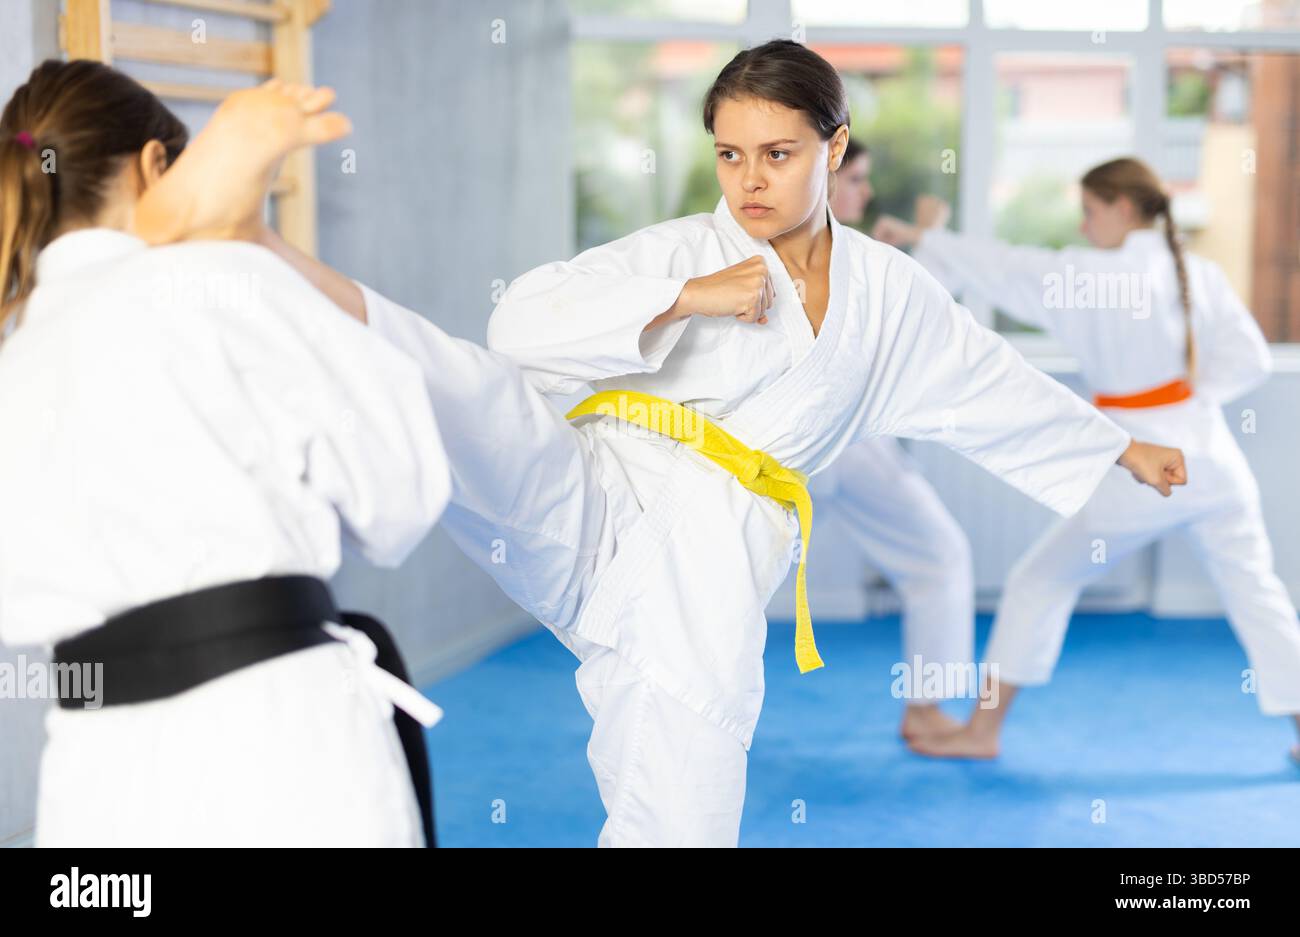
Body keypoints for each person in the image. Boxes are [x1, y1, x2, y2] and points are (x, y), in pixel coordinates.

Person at [150, 41, 1187, 846]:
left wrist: (1113, 448)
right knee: (461, 381)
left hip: (714, 551)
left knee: (683, 778)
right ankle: (258, 245)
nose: (750, 181)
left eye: (778, 154)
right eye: (730, 155)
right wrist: (687, 297)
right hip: (595, 484)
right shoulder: (687, 249)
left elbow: (984, 380)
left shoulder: (891, 293)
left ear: (835, 148)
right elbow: (523, 323)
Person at [0, 61, 451, 846]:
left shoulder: (15, 358)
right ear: (153, 166)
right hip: (282, 748)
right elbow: (400, 497)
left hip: (93, 774)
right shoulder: (219, 280)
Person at [873, 157, 1300, 763]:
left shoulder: (1093, 278)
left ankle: (982, 732)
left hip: (1142, 469)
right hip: (1214, 458)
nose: (1082, 224)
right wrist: (1188, 402)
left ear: (1122, 209)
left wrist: (926, 238)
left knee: (1038, 581)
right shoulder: (1198, 272)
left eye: (1090, 210)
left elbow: (1008, 267)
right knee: (1259, 595)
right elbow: (1251, 360)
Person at [816, 137, 976, 738]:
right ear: (823, 180)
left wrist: (915, 245)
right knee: (729, 581)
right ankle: (926, 712)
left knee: (938, 556)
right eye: (856, 179)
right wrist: (925, 241)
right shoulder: (815, 253)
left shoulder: (849, 253)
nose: (867, 191)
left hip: (852, 445)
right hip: (810, 447)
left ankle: (926, 709)